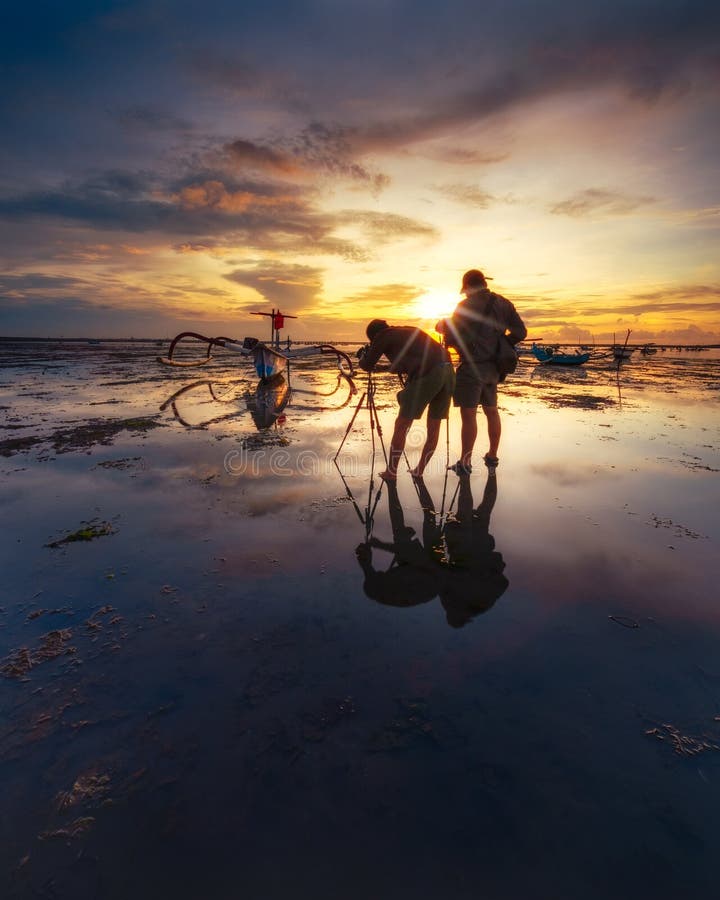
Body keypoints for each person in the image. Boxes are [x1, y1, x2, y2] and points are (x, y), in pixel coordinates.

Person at [437, 269, 526, 476]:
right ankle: (492, 456)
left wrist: (443, 327)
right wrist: (500, 344)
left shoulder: (465, 306)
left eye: (465, 290)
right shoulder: (504, 303)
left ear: (467, 287)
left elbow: (451, 336)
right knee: (491, 411)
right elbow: (521, 333)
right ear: (484, 283)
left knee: (469, 415)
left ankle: (465, 462)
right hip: (494, 369)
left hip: (472, 367)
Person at [357, 319, 455, 481]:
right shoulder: (406, 331)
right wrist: (382, 368)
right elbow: (402, 365)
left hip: (430, 374)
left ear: (374, 336)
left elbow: (367, 365)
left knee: (402, 424)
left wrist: (362, 357)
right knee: (434, 425)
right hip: (449, 371)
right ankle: (419, 470)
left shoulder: (383, 336)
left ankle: (391, 472)